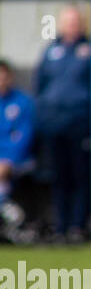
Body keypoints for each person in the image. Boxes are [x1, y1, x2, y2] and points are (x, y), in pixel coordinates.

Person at [34, 5, 91, 242]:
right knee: (59, 178)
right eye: (68, 21)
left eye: (75, 21)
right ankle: (60, 227)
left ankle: (78, 227)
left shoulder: (89, 50)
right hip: (53, 125)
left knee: (79, 176)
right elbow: (41, 85)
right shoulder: (51, 50)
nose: (72, 25)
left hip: (79, 124)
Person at [0, 59, 35, 231]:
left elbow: (24, 137)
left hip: (18, 161)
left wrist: (9, 160)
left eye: (3, 76)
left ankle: (12, 219)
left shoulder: (23, 103)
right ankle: (7, 211)